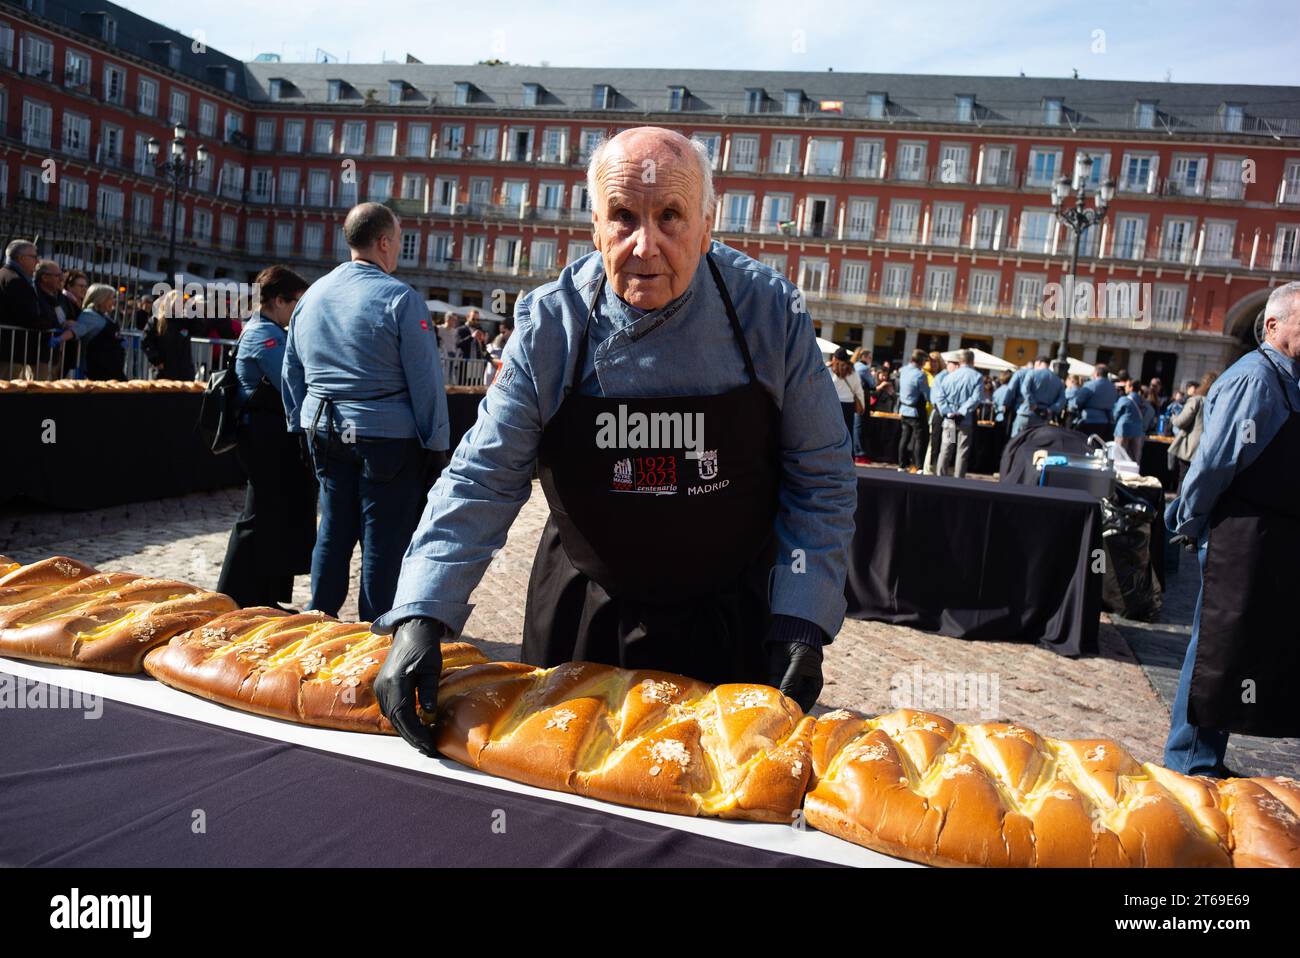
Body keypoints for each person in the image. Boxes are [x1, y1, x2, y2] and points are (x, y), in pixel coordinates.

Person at [371, 126, 856, 755]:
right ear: (594, 225)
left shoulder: (769, 313)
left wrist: (802, 618)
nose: (644, 245)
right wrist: (421, 614)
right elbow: (483, 477)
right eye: (622, 218)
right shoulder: (553, 323)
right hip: (584, 612)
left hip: (733, 615)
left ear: (709, 224)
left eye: (670, 217)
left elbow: (820, 476)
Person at [282, 202, 450, 621]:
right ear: (383, 243)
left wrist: (297, 423)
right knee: (383, 537)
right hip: (385, 434)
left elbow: (292, 370)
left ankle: (318, 615)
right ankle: (376, 627)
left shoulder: (312, 295)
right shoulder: (400, 299)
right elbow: (426, 380)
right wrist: (436, 443)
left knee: (334, 527)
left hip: (324, 426)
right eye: (397, 242)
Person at [1163, 281, 1300, 777]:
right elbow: (1216, 462)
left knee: (1230, 644)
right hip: (1236, 534)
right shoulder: (1255, 380)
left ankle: (1203, 755)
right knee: (1214, 646)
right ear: (1273, 325)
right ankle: (1190, 760)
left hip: (1263, 535)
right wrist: (1189, 518)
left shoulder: (1286, 379)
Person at [216, 266, 317, 609]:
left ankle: (263, 596)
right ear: (278, 300)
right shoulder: (265, 335)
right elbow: (291, 380)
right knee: (259, 515)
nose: (299, 312)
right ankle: (233, 595)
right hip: (263, 435)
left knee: (275, 514)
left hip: (272, 433)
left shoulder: (271, 329)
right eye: (296, 304)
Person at [55, 283, 125, 380]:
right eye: (111, 298)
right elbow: (75, 331)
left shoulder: (104, 315)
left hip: (112, 366)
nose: (114, 301)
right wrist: (59, 339)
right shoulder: (90, 315)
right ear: (101, 299)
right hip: (99, 367)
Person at [0, 239, 45, 375]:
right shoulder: (15, 280)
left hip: (10, 349)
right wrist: (52, 324)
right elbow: (27, 316)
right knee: (7, 389)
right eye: (34, 257)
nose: (37, 262)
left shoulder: (5, 274)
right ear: (21, 258)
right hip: (9, 350)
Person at [936, 350, 983, 478]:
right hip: (965, 419)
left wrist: (947, 412)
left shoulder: (949, 376)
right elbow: (976, 398)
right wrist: (961, 412)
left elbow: (939, 397)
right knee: (962, 451)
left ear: (960, 361)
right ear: (972, 361)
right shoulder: (977, 376)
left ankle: (940, 477)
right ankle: (958, 480)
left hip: (950, 418)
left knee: (946, 449)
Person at [1168, 373, 1216, 491]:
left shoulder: (1197, 400)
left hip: (1190, 447)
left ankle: (1179, 507)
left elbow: (1181, 422)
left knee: (1183, 479)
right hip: (1207, 448)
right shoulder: (1218, 402)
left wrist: (1173, 417)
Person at [142, 288, 198, 381]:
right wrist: (156, 360)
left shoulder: (186, 320)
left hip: (184, 371)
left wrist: (192, 308)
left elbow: (200, 328)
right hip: (165, 371)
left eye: (183, 302)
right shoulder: (156, 320)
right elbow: (145, 341)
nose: (181, 305)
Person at [1011, 357, 1067, 437]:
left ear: (1039, 362)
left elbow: (1025, 389)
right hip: (1043, 417)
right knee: (1035, 445)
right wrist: (1050, 409)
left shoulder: (1032, 373)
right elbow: (1062, 400)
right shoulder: (1058, 380)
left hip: (1027, 412)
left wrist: (1032, 403)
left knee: (1016, 441)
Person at [897, 348, 930, 472]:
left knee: (904, 438)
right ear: (921, 361)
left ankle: (901, 465)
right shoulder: (920, 374)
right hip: (915, 411)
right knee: (919, 439)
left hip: (904, 409)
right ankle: (919, 466)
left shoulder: (903, 370)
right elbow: (927, 394)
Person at [924, 356, 957, 475]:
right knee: (934, 444)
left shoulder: (954, 378)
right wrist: (948, 411)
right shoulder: (941, 377)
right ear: (949, 364)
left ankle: (944, 470)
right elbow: (937, 399)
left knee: (949, 443)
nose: (958, 367)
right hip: (940, 415)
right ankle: (930, 470)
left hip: (950, 417)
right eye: (955, 364)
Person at [828, 346, 865, 446]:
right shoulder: (852, 372)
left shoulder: (829, 371)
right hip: (848, 406)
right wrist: (862, 406)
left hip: (831, 405)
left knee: (830, 434)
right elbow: (859, 391)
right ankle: (847, 458)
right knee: (847, 434)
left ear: (834, 358)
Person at [1069, 363, 1117, 440]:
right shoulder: (1112, 387)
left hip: (1089, 420)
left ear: (1096, 373)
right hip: (1105, 422)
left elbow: (1079, 402)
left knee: (1084, 444)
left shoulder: (1090, 385)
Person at [1112, 375, 1145, 465]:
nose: (1125, 388)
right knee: (1134, 460)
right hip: (1138, 431)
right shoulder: (1142, 401)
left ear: (1131, 387)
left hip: (1123, 430)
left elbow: (1115, 414)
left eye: (1126, 386)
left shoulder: (1124, 399)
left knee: (1119, 457)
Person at [850, 347, 872, 459]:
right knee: (858, 426)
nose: (870, 359)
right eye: (869, 357)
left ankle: (854, 449)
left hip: (851, 397)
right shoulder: (863, 368)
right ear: (863, 357)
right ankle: (858, 450)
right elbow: (872, 384)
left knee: (854, 425)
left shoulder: (853, 365)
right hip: (861, 398)